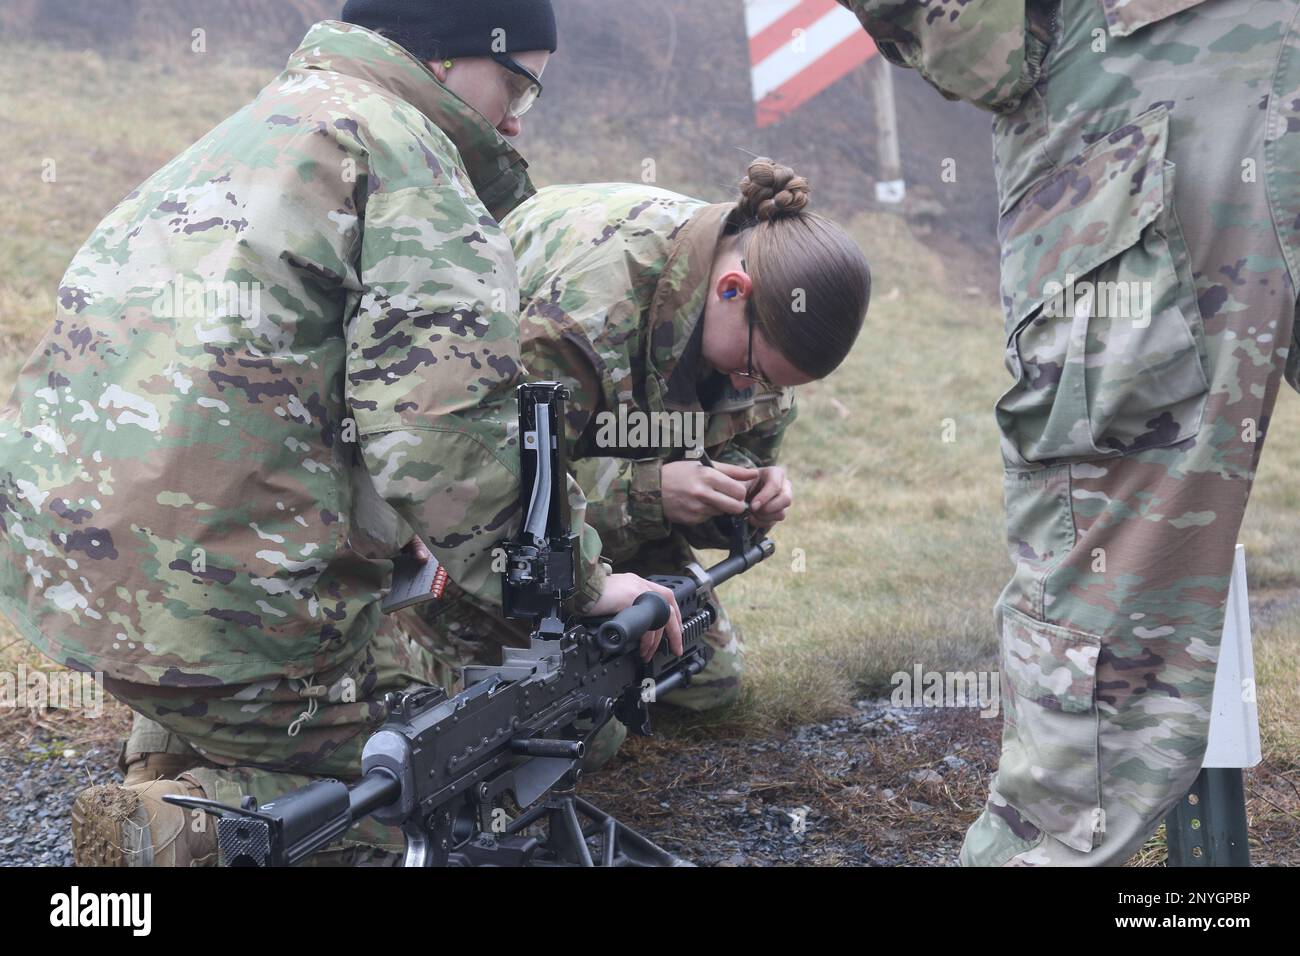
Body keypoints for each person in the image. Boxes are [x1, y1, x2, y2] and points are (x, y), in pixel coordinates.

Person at [0, 0, 683, 867]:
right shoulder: (405, 156)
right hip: (219, 620)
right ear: (443, 60)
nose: (516, 119)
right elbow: (446, 428)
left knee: (403, 668)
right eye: (517, 85)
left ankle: (178, 736)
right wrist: (589, 584)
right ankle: (188, 830)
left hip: (67, 580)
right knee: (472, 775)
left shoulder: (258, 128)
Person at [837, 0, 1300, 865]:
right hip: (1153, 96)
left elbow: (978, 49)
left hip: (1144, 97)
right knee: (1094, 702)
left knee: (1092, 721)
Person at [418, 158, 871, 765]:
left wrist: (747, 495)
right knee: (578, 730)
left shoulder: (759, 314)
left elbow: (736, 446)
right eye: (752, 371)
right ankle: (407, 634)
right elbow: (489, 481)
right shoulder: (580, 319)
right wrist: (647, 494)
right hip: (466, 531)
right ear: (732, 290)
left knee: (709, 681)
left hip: (596, 516)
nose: (753, 385)